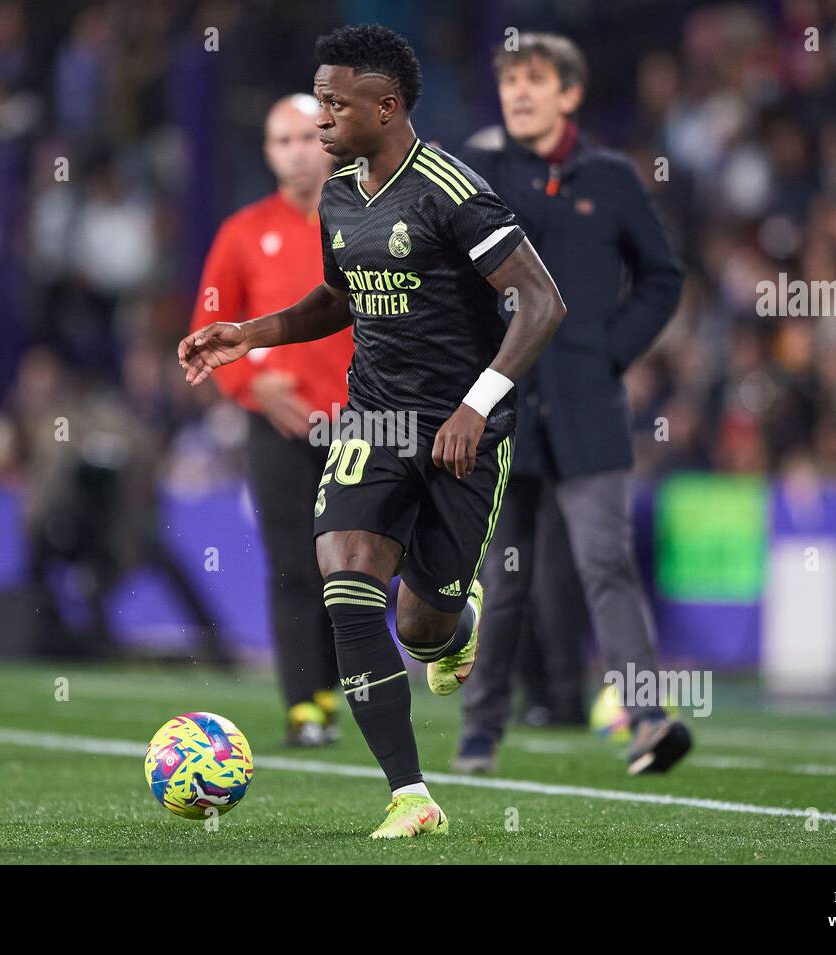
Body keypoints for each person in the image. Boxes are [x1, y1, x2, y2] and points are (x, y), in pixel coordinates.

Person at [180, 24, 566, 838]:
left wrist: (477, 401)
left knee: (421, 626)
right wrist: (248, 333)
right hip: (374, 419)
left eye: (334, 103)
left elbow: (542, 301)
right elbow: (338, 298)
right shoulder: (341, 193)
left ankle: (453, 625)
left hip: (466, 429)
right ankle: (411, 795)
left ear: (386, 107)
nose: (321, 118)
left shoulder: (452, 191)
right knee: (346, 579)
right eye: (317, 102)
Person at [457, 33, 691, 775]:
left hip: (588, 405)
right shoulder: (478, 171)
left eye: (534, 79)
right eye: (510, 81)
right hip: (504, 403)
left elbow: (662, 276)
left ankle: (647, 719)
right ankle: (479, 732)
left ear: (570, 93)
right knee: (504, 579)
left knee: (605, 561)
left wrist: (608, 350)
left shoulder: (611, 176)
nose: (519, 93)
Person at [190, 94, 354, 746]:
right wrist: (253, 382)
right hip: (279, 428)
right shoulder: (240, 233)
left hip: (364, 424)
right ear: (266, 152)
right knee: (292, 563)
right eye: (280, 140)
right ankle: (304, 705)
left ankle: (334, 687)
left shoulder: (362, 218)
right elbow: (208, 330)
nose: (294, 151)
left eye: (305, 138)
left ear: (329, 142)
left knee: (354, 566)